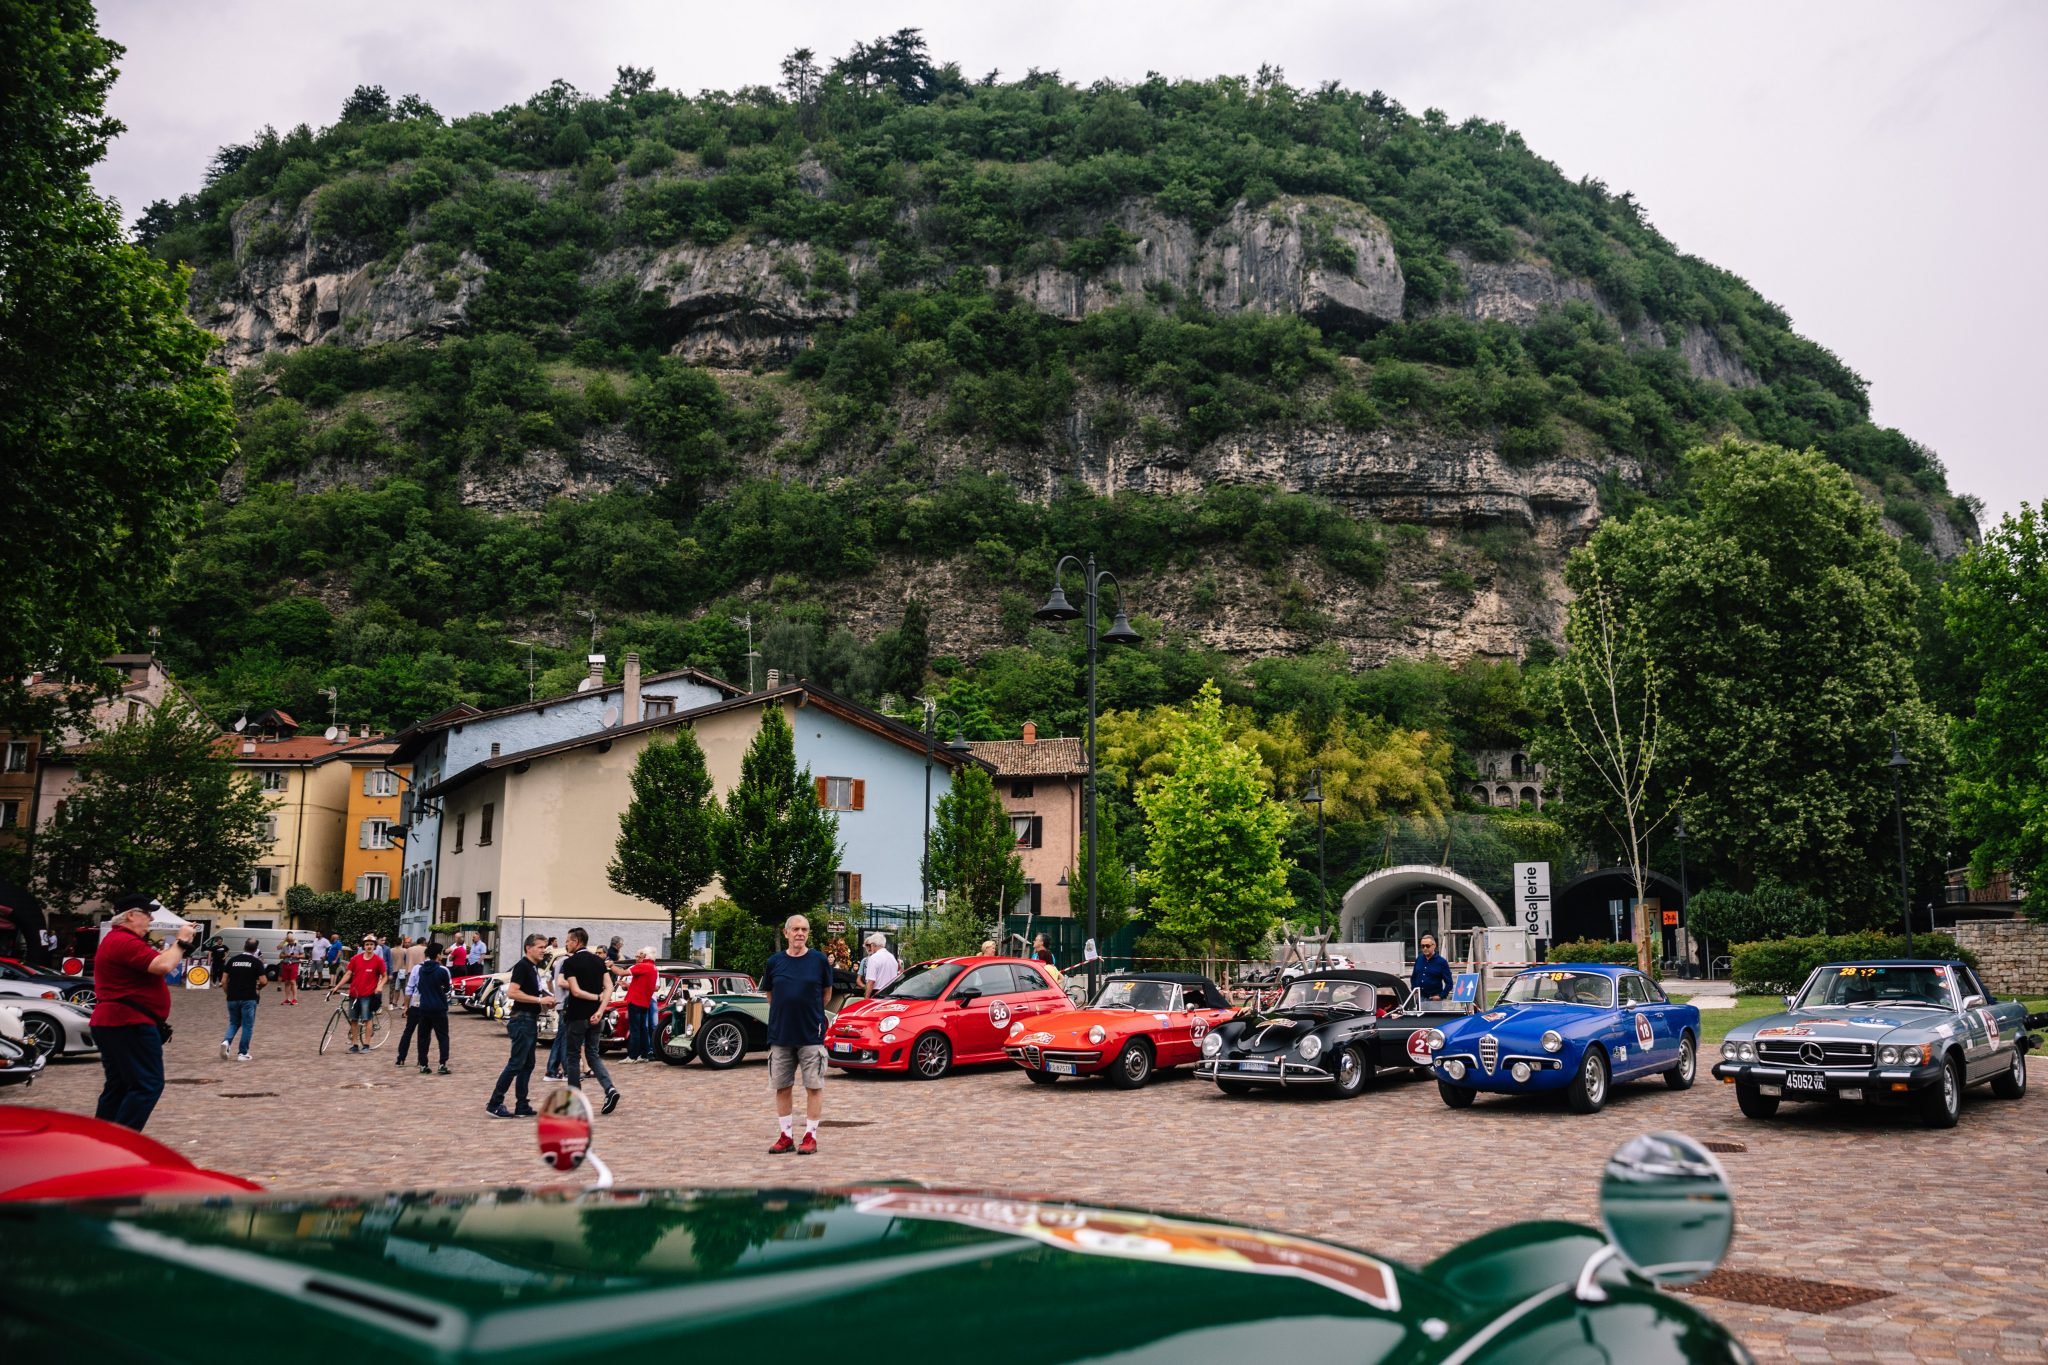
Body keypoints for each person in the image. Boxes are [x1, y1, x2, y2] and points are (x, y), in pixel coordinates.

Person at [90, 893, 195, 1131]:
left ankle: (102, 1137)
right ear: (131, 915)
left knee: (119, 1085)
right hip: (129, 1022)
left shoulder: (117, 939)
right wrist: (180, 941)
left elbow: (162, 960)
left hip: (117, 1021)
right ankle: (122, 1141)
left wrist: (180, 945)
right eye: (147, 914)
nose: (151, 919)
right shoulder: (124, 941)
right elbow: (163, 965)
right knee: (147, 1084)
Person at [762, 913, 833, 1155]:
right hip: (781, 1034)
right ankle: (785, 1136)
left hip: (810, 1034)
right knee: (782, 1086)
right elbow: (770, 995)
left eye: (804, 929)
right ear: (786, 933)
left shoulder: (819, 961)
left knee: (813, 1086)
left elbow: (826, 994)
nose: (800, 933)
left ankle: (810, 1136)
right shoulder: (774, 962)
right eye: (795, 929)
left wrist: (810, 1012)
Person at [486, 934, 550, 1119]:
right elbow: (513, 992)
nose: (543, 950)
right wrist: (539, 1000)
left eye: (544, 947)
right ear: (528, 948)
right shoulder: (523, 966)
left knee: (527, 1064)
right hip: (522, 1020)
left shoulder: (533, 967)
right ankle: (494, 1103)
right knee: (516, 1063)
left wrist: (545, 1000)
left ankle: (522, 1104)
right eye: (540, 947)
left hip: (529, 1019)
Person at [558, 928, 620, 1113]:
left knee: (572, 1056)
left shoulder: (570, 962)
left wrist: (595, 998)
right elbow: (609, 987)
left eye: (568, 941)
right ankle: (610, 1089)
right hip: (596, 1016)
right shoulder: (598, 961)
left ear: (577, 942)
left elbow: (576, 991)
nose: (566, 944)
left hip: (577, 1015)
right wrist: (600, 1010)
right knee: (593, 1054)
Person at [327, 934, 387, 1052]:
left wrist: (380, 986)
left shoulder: (378, 961)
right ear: (363, 946)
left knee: (367, 1019)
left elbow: (384, 976)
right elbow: (348, 974)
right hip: (354, 994)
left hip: (368, 994)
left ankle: (366, 1045)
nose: (369, 946)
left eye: (371, 944)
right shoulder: (356, 959)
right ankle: (355, 1044)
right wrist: (336, 987)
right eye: (367, 944)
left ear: (374, 946)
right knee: (353, 1020)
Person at [218, 937, 265, 1061]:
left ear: (244, 946)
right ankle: (242, 1053)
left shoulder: (232, 960)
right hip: (248, 997)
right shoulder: (256, 962)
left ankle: (226, 1042)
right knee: (247, 1025)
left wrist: (228, 993)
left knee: (234, 1023)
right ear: (256, 949)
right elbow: (264, 981)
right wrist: (258, 988)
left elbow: (223, 981)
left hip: (232, 997)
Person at [410, 942, 453, 1074]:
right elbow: (447, 988)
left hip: (424, 1007)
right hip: (439, 1007)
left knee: (423, 1037)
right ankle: (442, 1064)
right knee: (443, 1036)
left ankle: (423, 1064)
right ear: (438, 955)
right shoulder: (442, 971)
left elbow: (420, 987)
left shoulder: (421, 970)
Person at [622, 946, 659, 1063]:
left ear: (645, 956)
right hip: (645, 999)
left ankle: (636, 1055)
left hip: (641, 999)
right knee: (643, 1028)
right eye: (637, 956)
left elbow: (655, 987)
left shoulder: (643, 966)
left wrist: (611, 965)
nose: (638, 958)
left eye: (640, 955)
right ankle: (645, 1054)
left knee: (641, 1028)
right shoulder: (652, 967)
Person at [1411, 935, 1453, 1001]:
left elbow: (1449, 983)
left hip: (1434, 999)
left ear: (1434, 946)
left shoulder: (1442, 962)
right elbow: (1414, 977)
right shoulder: (1419, 959)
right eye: (1422, 946)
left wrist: (1441, 996)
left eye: (1427, 946)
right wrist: (1415, 991)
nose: (1425, 948)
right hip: (1420, 998)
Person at [858, 933, 899, 997]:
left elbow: (871, 982)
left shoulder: (873, 958)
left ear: (873, 945)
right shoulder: (892, 957)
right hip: (891, 993)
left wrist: (866, 998)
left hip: (877, 994)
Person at [279, 935, 302, 1005]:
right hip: (286, 964)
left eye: (291, 941)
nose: (290, 942)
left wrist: (297, 956)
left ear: (294, 940)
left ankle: (295, 999)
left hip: (294, 964)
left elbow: (303, 955)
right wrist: (286, 955)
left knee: (292, 981)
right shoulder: (285, 946)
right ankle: (287, 999)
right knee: (286, 982)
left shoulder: (299, 946)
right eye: (289, 941)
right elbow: (280, 956)